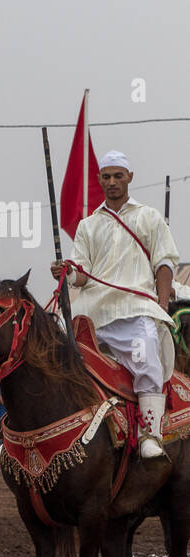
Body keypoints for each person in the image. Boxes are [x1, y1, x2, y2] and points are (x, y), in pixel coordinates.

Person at [52, 150, 178, 458]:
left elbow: (165, 263)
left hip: (136, 309)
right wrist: (67, 271)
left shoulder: (148, 217)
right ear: (99, 180)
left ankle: (150, 434)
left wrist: (161, 305)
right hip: (92, 315)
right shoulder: (88, 225)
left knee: (146, 357)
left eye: (117, 176)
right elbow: (81, 272)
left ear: (129, 178)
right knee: (51, 358)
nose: (112, 182)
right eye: (106, 176)